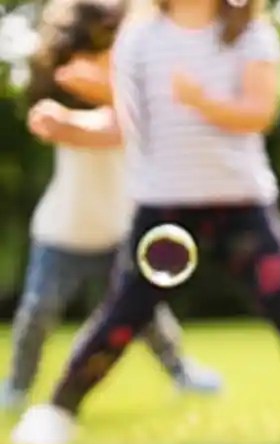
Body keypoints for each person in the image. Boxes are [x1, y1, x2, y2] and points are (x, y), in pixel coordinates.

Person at [11, 0, 280, 444]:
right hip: (163, 205)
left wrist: (200, 101)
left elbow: (258, 112)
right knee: (121, 315)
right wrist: (71, 124)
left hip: (241, 202)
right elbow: (125, 126)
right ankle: (57, 411)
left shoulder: (248, 33)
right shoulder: (139, 36)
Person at [1, 0, 222, 413]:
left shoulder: (135, 107)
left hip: (120, 231)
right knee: (38, 312)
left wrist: (77, 116)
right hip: (62, 231)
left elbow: (118, 128)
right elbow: (91, 125)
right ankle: (15, 386)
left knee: (149, 319)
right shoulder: (74, 106)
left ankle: (182, 373)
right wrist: (63, 120)